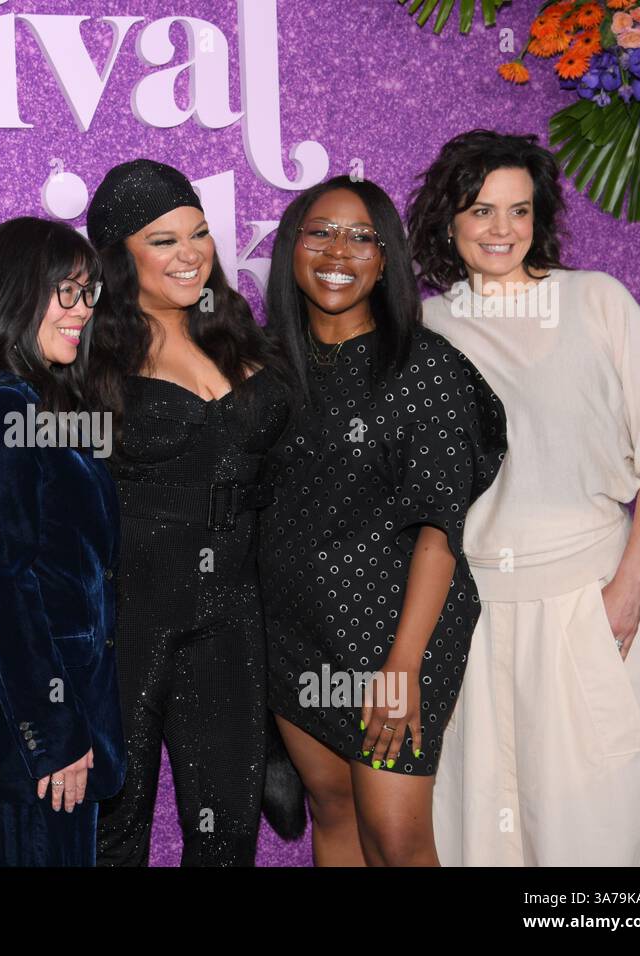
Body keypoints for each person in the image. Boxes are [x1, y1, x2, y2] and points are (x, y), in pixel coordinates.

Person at [409, 129, 640, 866]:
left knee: (602, 824)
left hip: (590, 598)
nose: (501, 230)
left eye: (518, 210)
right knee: (487, 823)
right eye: (481, 211)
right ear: (449, 222)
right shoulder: (428, 325)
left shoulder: (597, 300)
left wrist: (629, 587)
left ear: (539, 217)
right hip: (473, 614)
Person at [261, 175, 505, 866]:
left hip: (394, 632)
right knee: (333, 811)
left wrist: (402, 668)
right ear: (291, 247)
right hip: (295, 628)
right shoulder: (267, 366)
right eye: (321, 232)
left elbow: (440, 529)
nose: (339, 250)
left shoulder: (424, 368)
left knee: (397, 840)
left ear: (387, 259)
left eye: (362, 236)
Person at [84, 159, 300, 866]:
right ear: (120, 256)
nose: (191, 254)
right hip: (131, 622)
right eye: (163, 240)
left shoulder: (233, 330)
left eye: (199, 233)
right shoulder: (88, 353)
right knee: (115, 831)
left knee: (227, 832)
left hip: (234, 619)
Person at [0, 216, 125, 866]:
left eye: (88, 292)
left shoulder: (21, 401)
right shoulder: (3, 406)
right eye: (64, 291)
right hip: (30, 742)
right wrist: (52, 732)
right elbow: (0, 579)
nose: (82, 309)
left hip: (45, 723)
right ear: (12, 293)